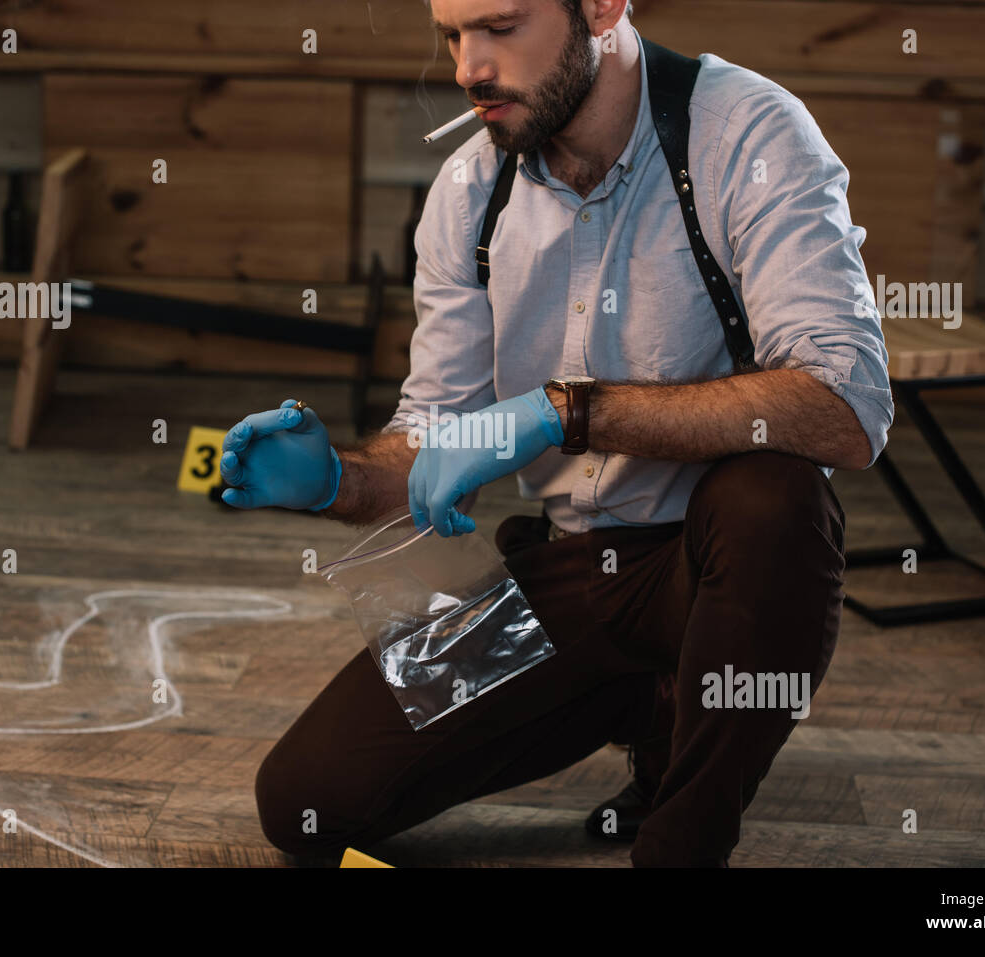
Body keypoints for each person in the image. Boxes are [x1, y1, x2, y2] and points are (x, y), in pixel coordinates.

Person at [220, 0, 893, 867]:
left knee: (776, 500)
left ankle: (681, 838)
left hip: (712, 565)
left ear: (604, 6)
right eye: (452, 36)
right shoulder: (468, 193)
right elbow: (434, 434)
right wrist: (339, 480)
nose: (468, 66)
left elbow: (846, 403)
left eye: (500, 27)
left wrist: (570, 409)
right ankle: (646, 701)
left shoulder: (746, 134)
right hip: (567, 564)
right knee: (305, 802)